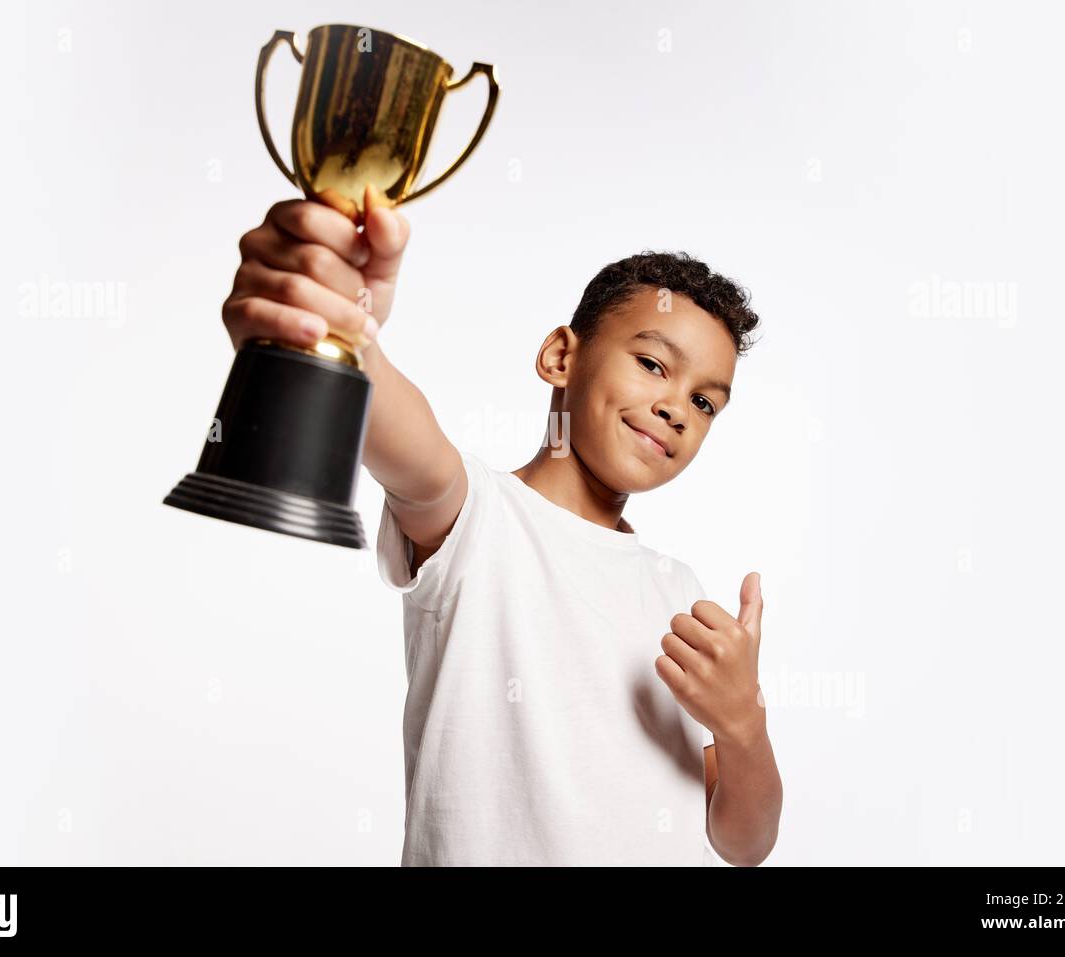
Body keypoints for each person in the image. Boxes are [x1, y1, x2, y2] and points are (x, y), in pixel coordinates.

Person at [222, 186, 783, 866]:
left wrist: (742, 721)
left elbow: (742, 841)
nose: (675, 407)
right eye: (652, 364)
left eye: (704, 401)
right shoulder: (477, 518)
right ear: (560, 356)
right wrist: (344, 336)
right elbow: (411, 447)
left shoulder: (679, 590)